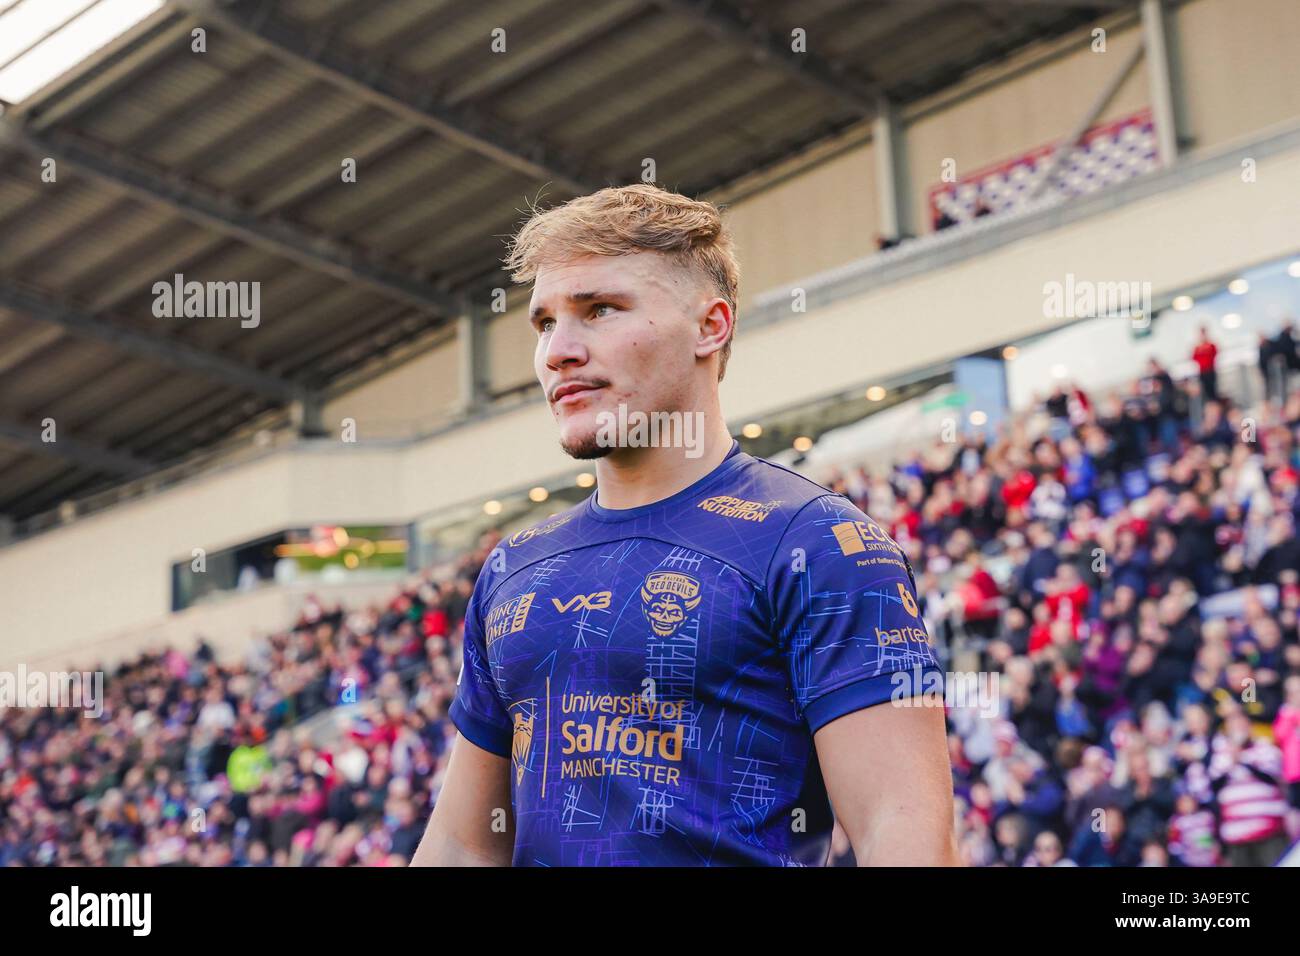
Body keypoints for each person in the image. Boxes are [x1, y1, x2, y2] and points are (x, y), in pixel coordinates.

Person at [412, 184, 956, 867]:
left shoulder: (816, 542)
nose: (557, 352)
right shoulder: (513, 568)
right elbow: (465, 846)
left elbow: (899, 831)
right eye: (544, 323)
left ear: (711, 326)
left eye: (599, 309)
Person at [1191, 325, 1219, 402]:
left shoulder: (1210, 345)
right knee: (1205, 392)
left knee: (1213, 391)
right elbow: (1194, 358)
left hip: (1210, 371)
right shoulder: (1197, 347)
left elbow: (1215, 353)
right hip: (1202, 372)